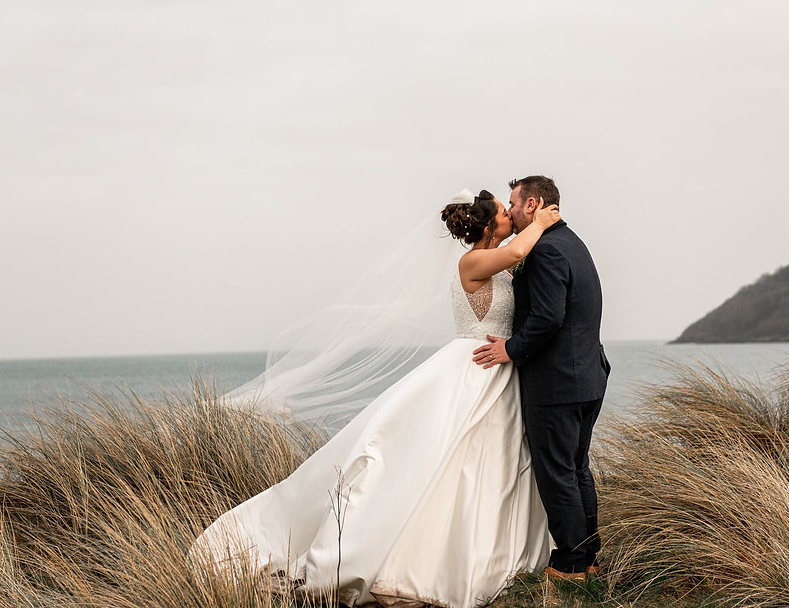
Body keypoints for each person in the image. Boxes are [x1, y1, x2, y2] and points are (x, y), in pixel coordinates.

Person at [190, 189, 563, 608]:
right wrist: (542, 224)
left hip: (499, 366)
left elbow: (518, 263)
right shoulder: (473, 261)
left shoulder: (502, 261)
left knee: (487, 462)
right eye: (502, 213)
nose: (509, 217)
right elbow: (516, 252)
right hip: (472, 365)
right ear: (489, 225)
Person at [473, 175, 609, 580]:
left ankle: (570, 565)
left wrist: (509, 349)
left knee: (557, 473)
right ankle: (588, 557)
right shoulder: (571, 243)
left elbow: (548, 317)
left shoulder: (547, 250)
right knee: (576, 468)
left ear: (532, 204)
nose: (511, 212)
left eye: (513, 204)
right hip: (587, 377)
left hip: (558, 384)